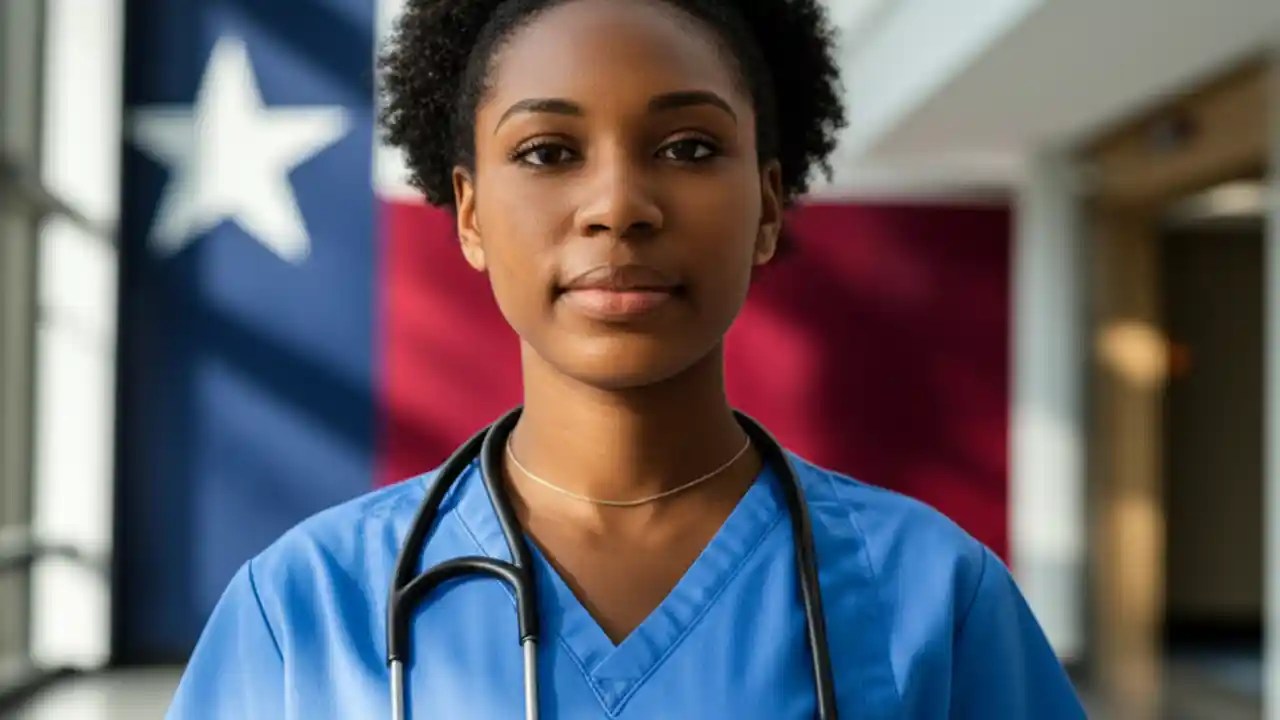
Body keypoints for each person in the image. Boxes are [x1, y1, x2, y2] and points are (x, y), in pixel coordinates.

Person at [166, 0, 1086, 717]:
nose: (618, 205)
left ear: (768, 206)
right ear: (471, 212)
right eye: (548, 150)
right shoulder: (307, 607)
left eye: (688, 147)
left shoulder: (936, 598)